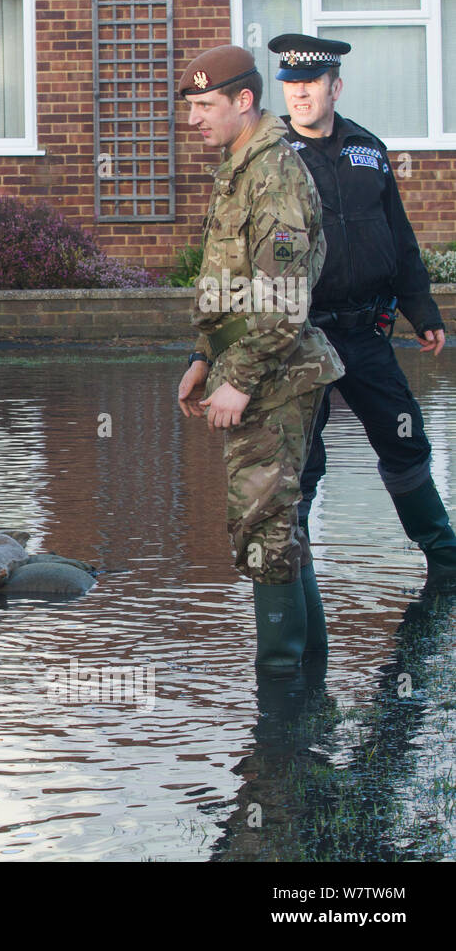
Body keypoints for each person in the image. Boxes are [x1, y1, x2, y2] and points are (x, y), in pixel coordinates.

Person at [175, 45, 345, 674]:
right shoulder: (241, 167)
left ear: (243, 101)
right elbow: (231, 287)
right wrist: (202, 356)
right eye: (191, 107)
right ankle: (303, 682)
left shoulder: (274, 173)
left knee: (264, 532)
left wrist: (238, 379)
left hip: (276, 376)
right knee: (274, 527)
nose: (193, 118)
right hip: (250, 366)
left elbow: (284, 298)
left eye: (204, 105)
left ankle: (282, 699)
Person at [267, 33, 456, 596]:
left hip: (367, 332)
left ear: (335, 87)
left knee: (403, 436)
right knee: (302, 454)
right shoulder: (271, 155)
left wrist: (422, 311)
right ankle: (292, 572)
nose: (299, 95)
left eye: (310, 85)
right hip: (302, 334)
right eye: (291, 86)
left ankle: (443, 560)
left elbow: (398, 236)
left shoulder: (367, 150)